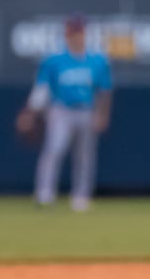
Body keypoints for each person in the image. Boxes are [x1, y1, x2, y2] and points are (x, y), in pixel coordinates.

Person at [17, 16, 113, 212]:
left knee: (85, 156)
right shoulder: (54, 60)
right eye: (72, 33)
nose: (76, 37)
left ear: (85, 34)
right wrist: (29, 112)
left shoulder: (97, 59)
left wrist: (102, 115)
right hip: (61, 110)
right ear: (67, 35)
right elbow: (41, 89)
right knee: (54, 149)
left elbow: (104, 90)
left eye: (79, 32)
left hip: (86, 109)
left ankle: (81, 196)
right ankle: (44, 193)